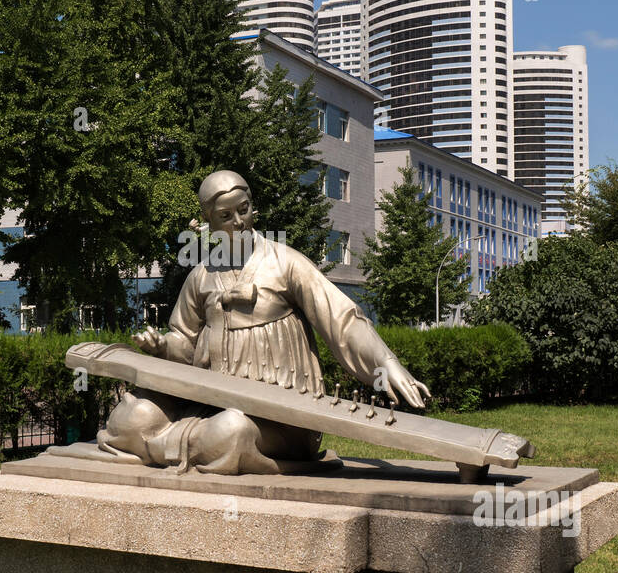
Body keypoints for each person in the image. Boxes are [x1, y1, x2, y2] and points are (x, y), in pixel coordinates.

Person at [96, 170, 430, 475]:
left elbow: (342, 319)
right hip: (212, 403)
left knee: (231, 431)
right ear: (208, 221)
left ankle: (159, 445)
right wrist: (164, 346)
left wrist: (386, 364)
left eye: (244, 209)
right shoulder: (201, 277)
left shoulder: (286, 264)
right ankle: (168, 440)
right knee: (135, 415)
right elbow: (185, 343)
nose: (238, 222)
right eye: (225, 216)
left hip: (284, 417)